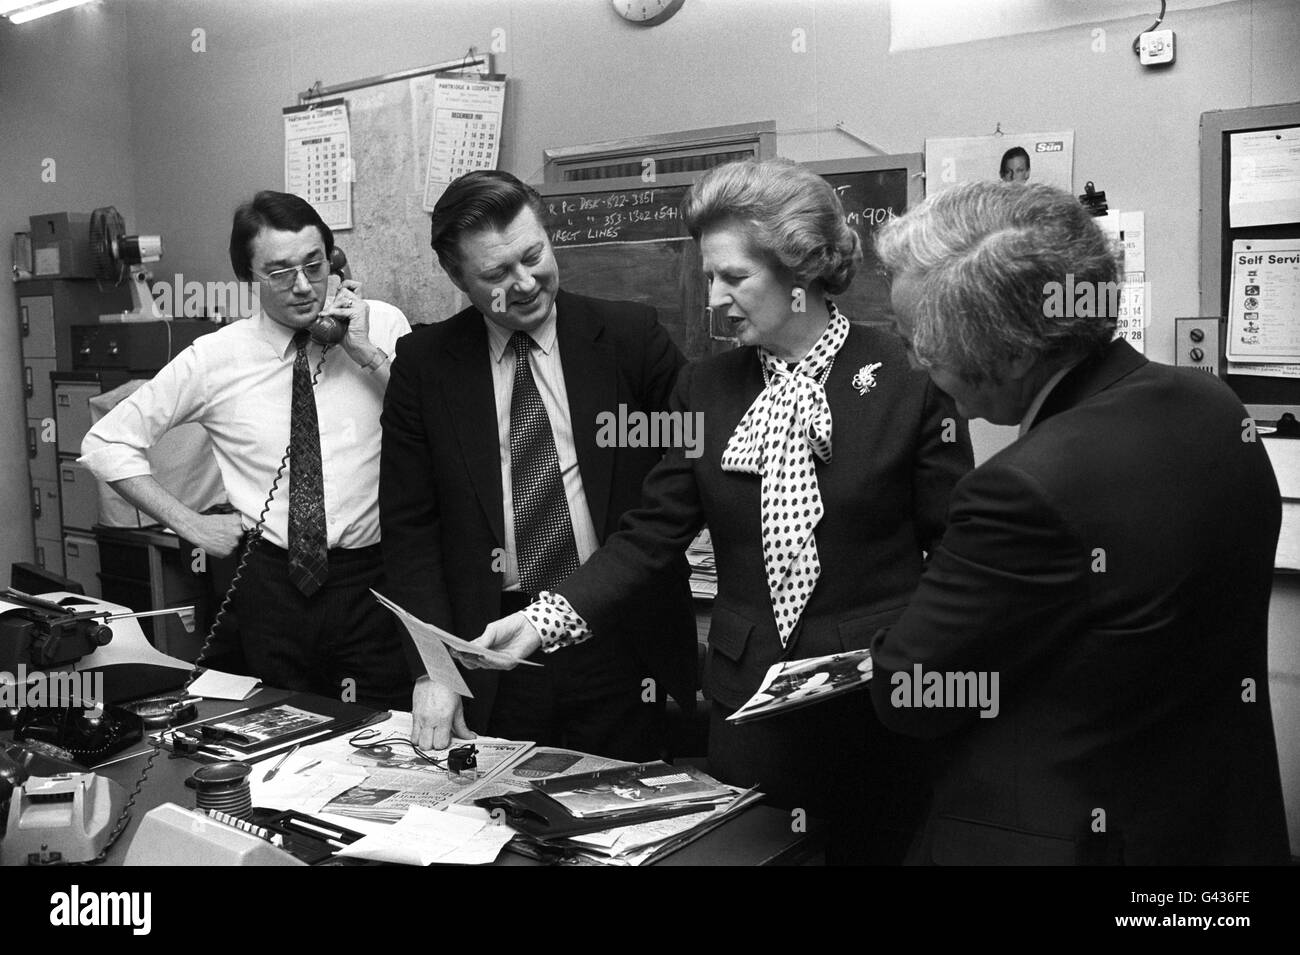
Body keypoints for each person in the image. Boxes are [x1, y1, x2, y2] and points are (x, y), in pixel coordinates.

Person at [470, 158, 973, 863]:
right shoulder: (702, 390)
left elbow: (957, 552)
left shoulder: (907, 375)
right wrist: (543, 617)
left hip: (876, 707)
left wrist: (908, 656)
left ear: (800, 268)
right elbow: (649, 535)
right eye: (709, 276)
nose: (714, 299)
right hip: (747, 710)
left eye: (733, 277)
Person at [869, 180, 1289, 864]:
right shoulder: (1212, 404)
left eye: (922, 342)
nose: (915, 361)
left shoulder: (1020, 489)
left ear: (1008, 354)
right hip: (1210, 823)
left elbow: (911, 694)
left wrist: (887, 641)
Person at [380, 170, 698, 760]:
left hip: (621, 635)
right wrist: (435, 668)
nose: (525, 283)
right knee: (506, 826)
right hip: (492, 647)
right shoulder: (426, 365)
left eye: (534, 256)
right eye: (497, 274)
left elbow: (694, 454)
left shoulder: (630, 338)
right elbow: (410, 530)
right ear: (455, 277)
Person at [80, 191, 413, 710]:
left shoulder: (383, 326)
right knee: (279, 733)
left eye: (314, 265)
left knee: (382, 732)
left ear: (335, 261)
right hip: (271, 585)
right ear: (248, 278)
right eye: (280, 272)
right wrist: (189, 523)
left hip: (373, 581)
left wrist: (364, 353)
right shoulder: (216, 357)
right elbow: (106, 443)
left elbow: (430, 426)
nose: (303, 286)